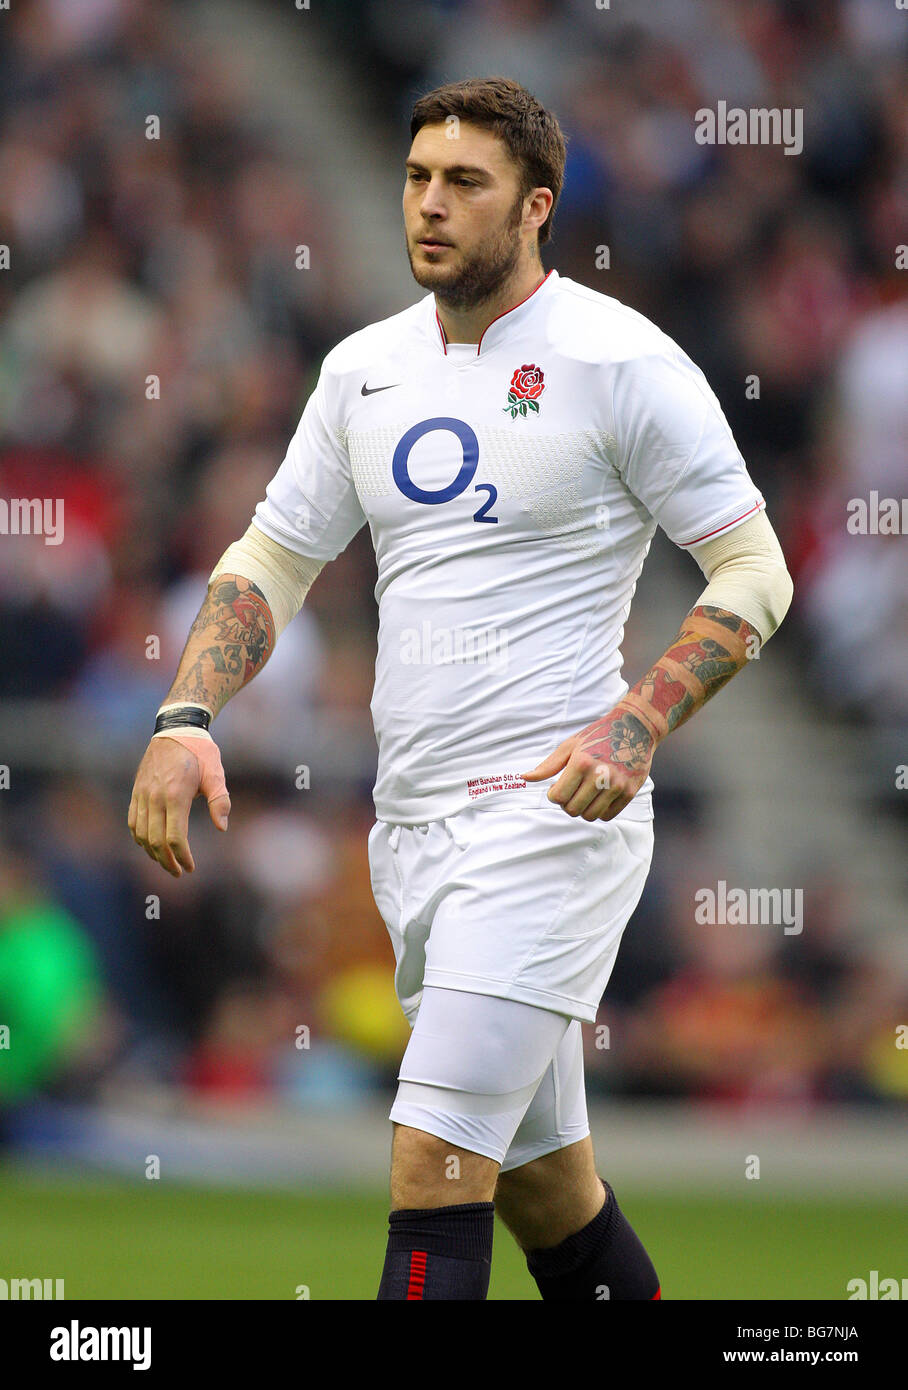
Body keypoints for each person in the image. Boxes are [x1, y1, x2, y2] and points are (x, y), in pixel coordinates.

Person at [128, 76, 793, 1300]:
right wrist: (183, 717)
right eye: (416, 178)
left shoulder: (619, 359)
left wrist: (640, 718)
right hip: (414, 825)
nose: (429, 207)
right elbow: (271, 558)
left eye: (464, 184)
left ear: (534, 206)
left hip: (548, 820)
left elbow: (753, 570)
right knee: (549, 1191)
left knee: (433, 1168)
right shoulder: (363, 371)